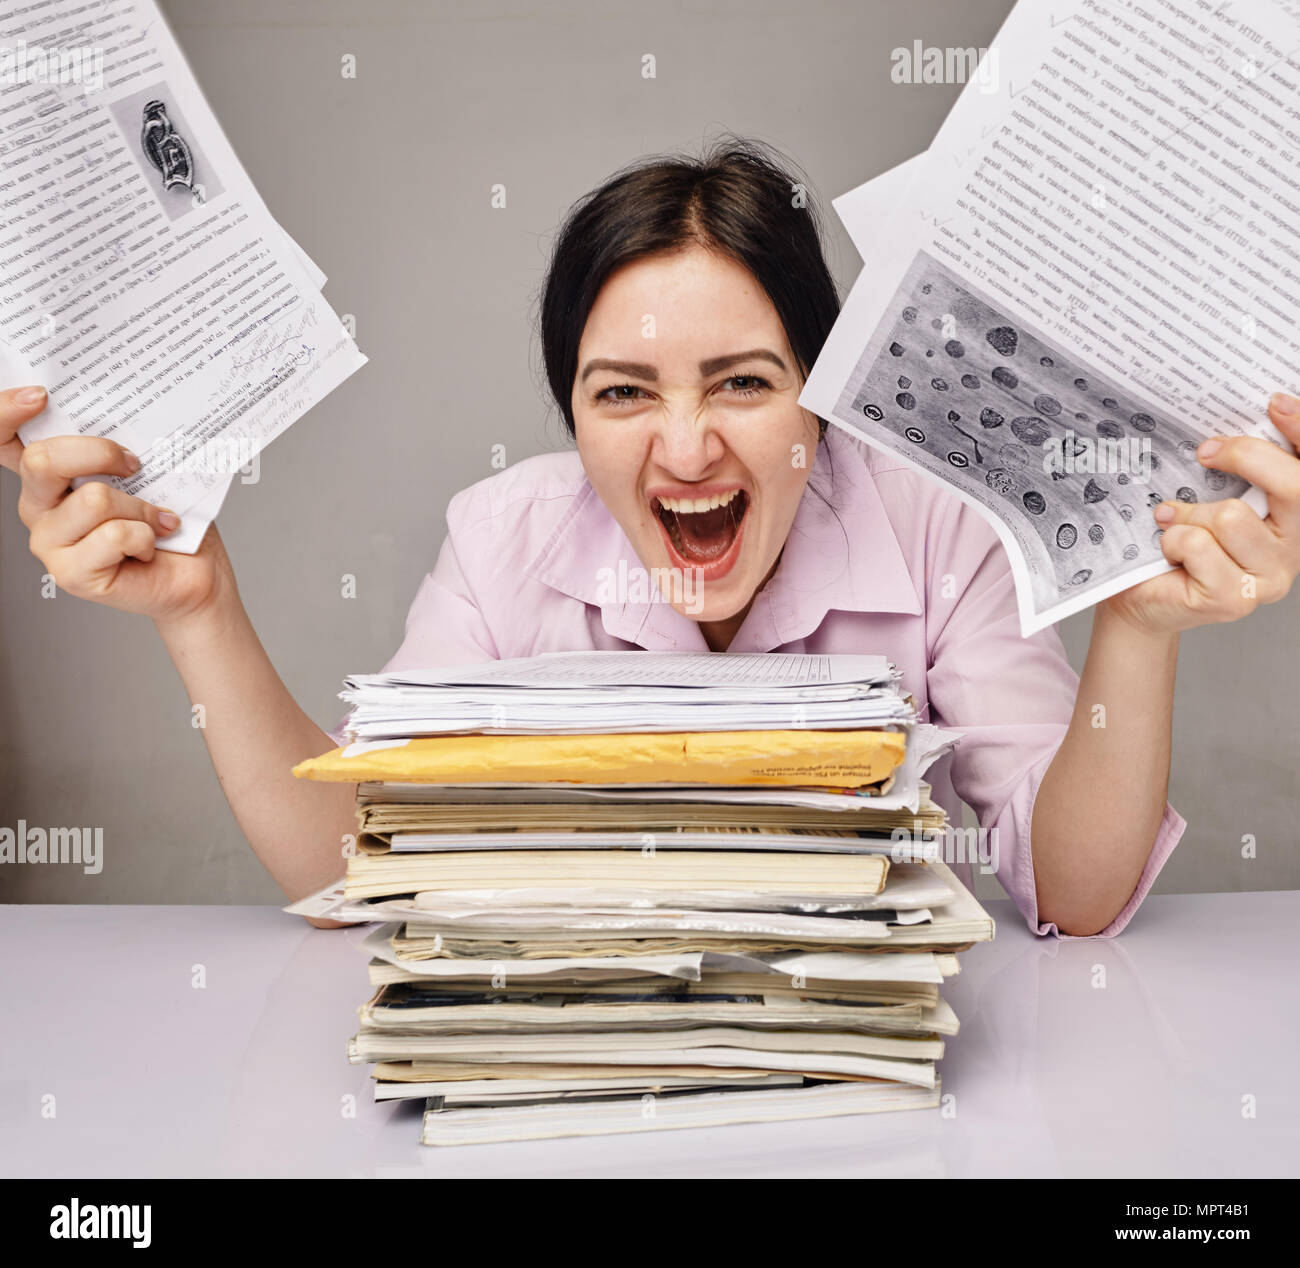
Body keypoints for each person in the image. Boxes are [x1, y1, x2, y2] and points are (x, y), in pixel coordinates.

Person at [6, 139, 1299, 936]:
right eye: (622, 393)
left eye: (743, 382)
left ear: (826, 396)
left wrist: (1137, 624)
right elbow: (358, 871)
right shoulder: (506, 536)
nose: (684, 450)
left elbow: (1072, 899)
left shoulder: (931, 526)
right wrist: (199, 608)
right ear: (572, 411)